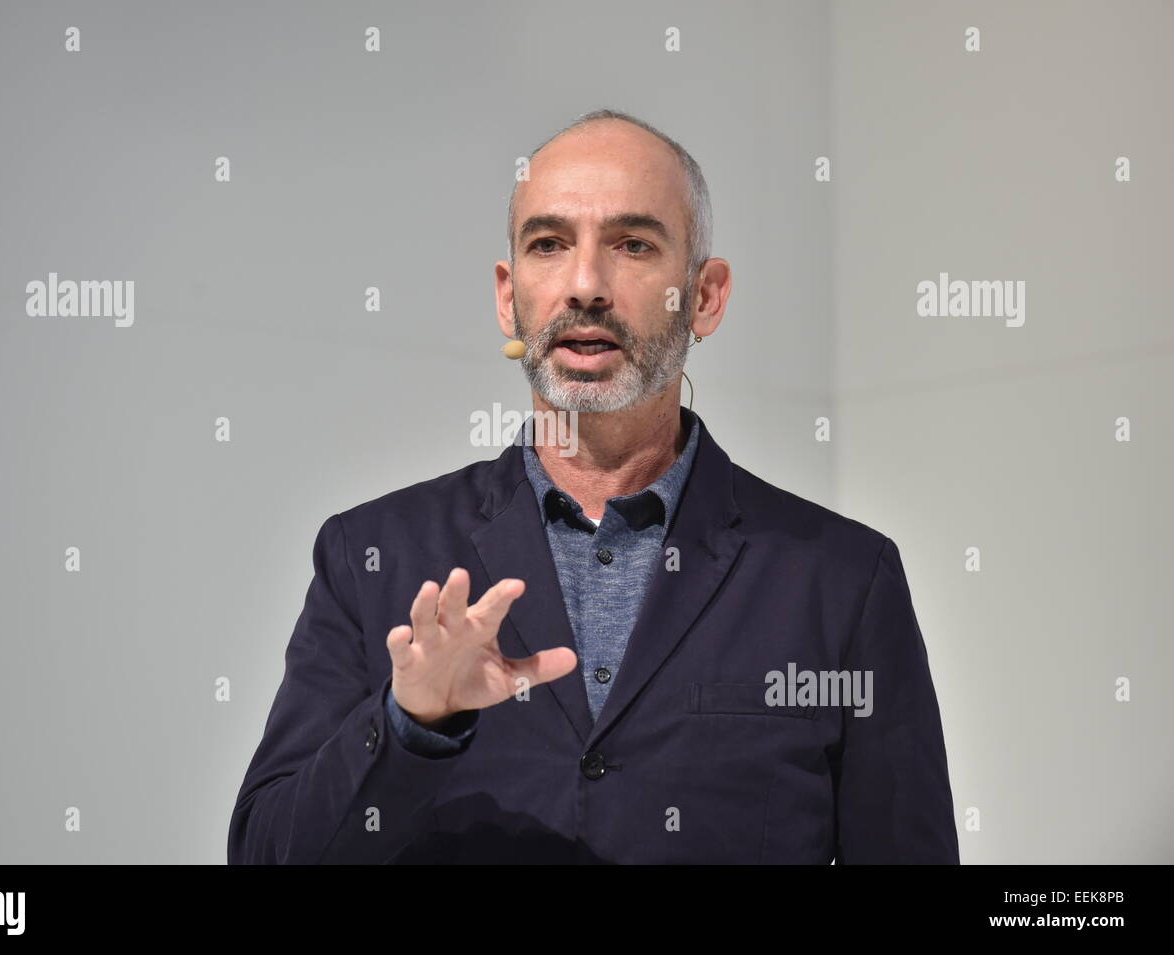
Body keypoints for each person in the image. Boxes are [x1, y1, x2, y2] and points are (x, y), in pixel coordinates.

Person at [227, 109, 960, 864]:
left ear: (704, 296)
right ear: (508, 296)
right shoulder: (370, 554)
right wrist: (408, 721)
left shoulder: (841, 580)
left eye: (633, 244)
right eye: (549, 245)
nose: (585, 285)